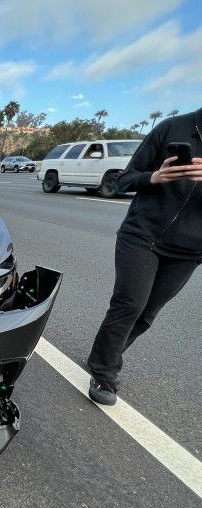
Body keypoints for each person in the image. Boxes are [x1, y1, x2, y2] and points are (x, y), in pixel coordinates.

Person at [87, 107, 202, 405]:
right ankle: (104, 372)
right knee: (129, 304)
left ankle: (104, 355)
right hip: (142, 235)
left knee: (147, 314)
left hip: (190, 250)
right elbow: (125, 179)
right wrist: (155, 177)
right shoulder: (173, 127)